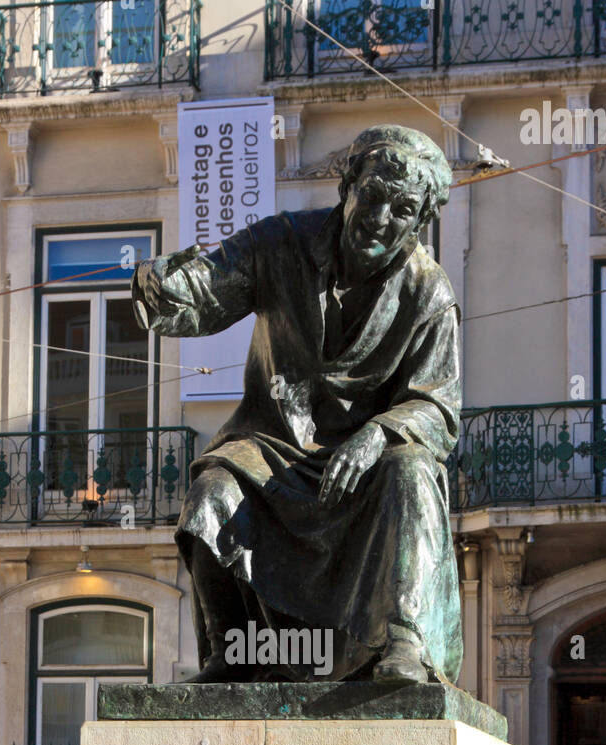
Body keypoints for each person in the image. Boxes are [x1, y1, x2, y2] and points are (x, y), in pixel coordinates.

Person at [132, 125, 463, 685]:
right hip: (275, 448)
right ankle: (232, 655)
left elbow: (439, 407)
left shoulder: (429, 292)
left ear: (420, 220)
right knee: (214, 488)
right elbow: (208, 293)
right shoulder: (280, 242)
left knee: (409, 470)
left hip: (369, 473)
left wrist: (379, 434)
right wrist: (165, 288)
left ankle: (401, 643)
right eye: (374, 196)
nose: (381, 219)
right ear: (348, 185)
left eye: (402, 209)